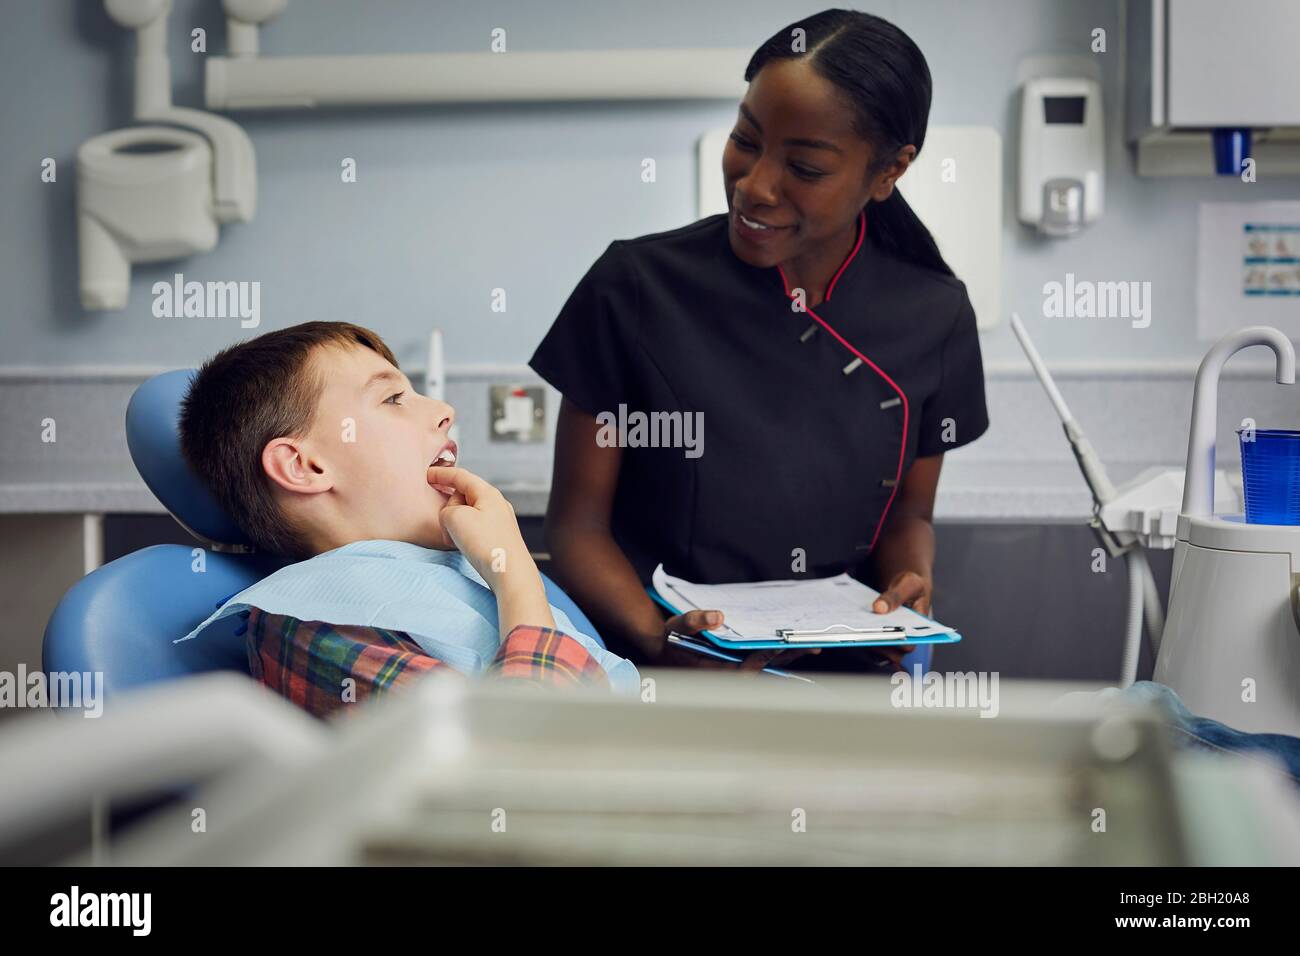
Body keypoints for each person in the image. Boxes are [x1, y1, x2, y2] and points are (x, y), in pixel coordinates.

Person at [530, 10, 988, 671]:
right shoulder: (634, 288)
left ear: (889, 172)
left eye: (803, 166)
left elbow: (908, 516)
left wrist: (909, 583)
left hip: (842, 674)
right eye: (746, 139)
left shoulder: (932, 317)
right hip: (663, 671)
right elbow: (577, 527)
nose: (754, 184)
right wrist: (659, 638)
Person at [178, 321, 636, 718]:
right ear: (306, 467)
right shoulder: (313, 629)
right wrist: (514, 573)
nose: (444, 412)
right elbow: (511, 765)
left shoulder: (454, 572)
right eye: (394, 398)